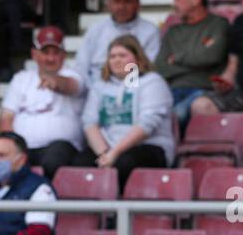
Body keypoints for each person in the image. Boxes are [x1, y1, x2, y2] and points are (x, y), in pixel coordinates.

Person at [0, 25, 84, 182]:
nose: (50, 58)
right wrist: (10, 145)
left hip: (59, 147)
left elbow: (72, 86)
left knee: (54, 160)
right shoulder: (21, 78)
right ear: (34, 54)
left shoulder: (74, 74)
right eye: (45, 52)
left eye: (55, 53)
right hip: (23, 147)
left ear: (63, 55)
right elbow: (6, 117)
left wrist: (55, 82)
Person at [71, 35, 175, 187]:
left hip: (149, 146)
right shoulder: (100, 86)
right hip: (108, 147)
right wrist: (104, 154)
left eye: (123, 55)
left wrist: (114, 154)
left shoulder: (153, 82)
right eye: (112, 56)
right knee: (79, 164)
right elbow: (89, 122)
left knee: (124, 163)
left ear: (137, 58)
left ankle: (115, 210)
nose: (116, 60)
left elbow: (146, 125)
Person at [155, 0, 230, 126]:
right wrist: (197, 61)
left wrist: (177, 58)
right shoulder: (172, 32)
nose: (173, 4)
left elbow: (212, 56)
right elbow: (161, 67)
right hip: (171, 92)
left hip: (204, 91)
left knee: (175, 117)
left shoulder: (218, 24)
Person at [74, 0, 161, 89]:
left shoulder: (150, 31)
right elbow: (81, 67)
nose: (121, 7)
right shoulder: (95, 30)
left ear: (138, 4)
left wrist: (123, 92)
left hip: (134, 88)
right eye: (117, 1)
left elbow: (148, 68)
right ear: (109, 4)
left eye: (127, 1)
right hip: (95, 88)